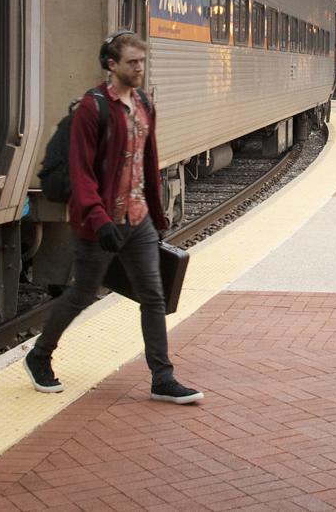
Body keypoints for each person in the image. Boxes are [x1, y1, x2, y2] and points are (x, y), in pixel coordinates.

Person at [24, 31, 203, 404]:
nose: (139, 68)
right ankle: (39, 356)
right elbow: (81, 171)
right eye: (132, 63)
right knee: (82, 293)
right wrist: (98, 218)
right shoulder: (93, 108)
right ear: (111, 65)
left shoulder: (143, 104)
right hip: (99, 222)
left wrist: (156, 212)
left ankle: (162, 378)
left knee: (154, 296)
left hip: (137, 220)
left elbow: (148, 163)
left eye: (141, 62)